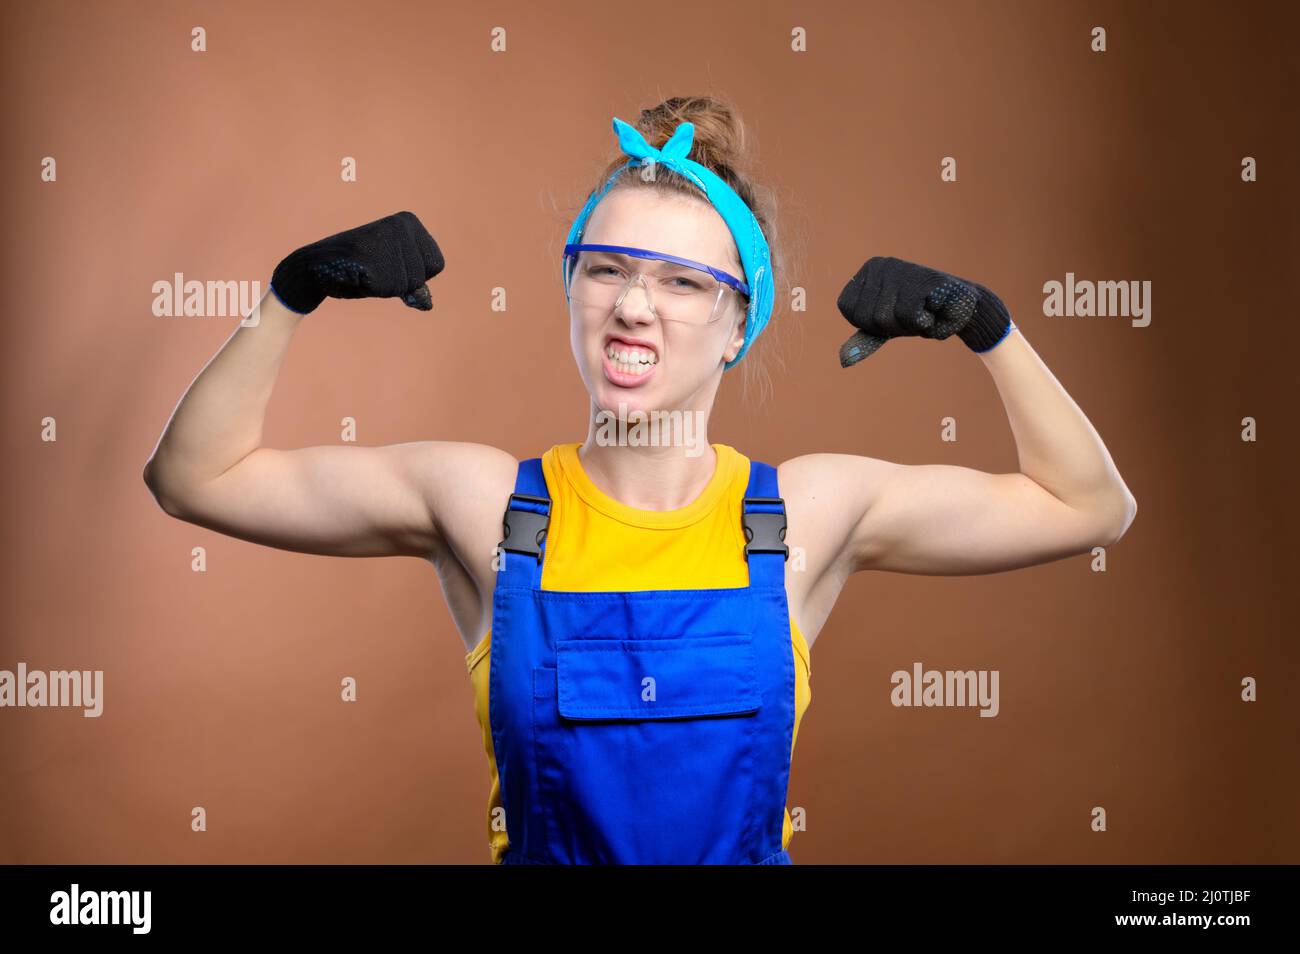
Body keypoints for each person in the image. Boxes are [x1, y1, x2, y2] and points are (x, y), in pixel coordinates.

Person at [143, 95, 1137, 865]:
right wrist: (287, 298)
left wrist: (988, 329)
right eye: (605, 267)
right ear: (571, 286)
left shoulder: (803, 515)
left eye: (680, 280)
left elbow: (1088, 506)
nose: (632, 306)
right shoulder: (484, 505)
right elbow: (196, 477)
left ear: (738, 323)